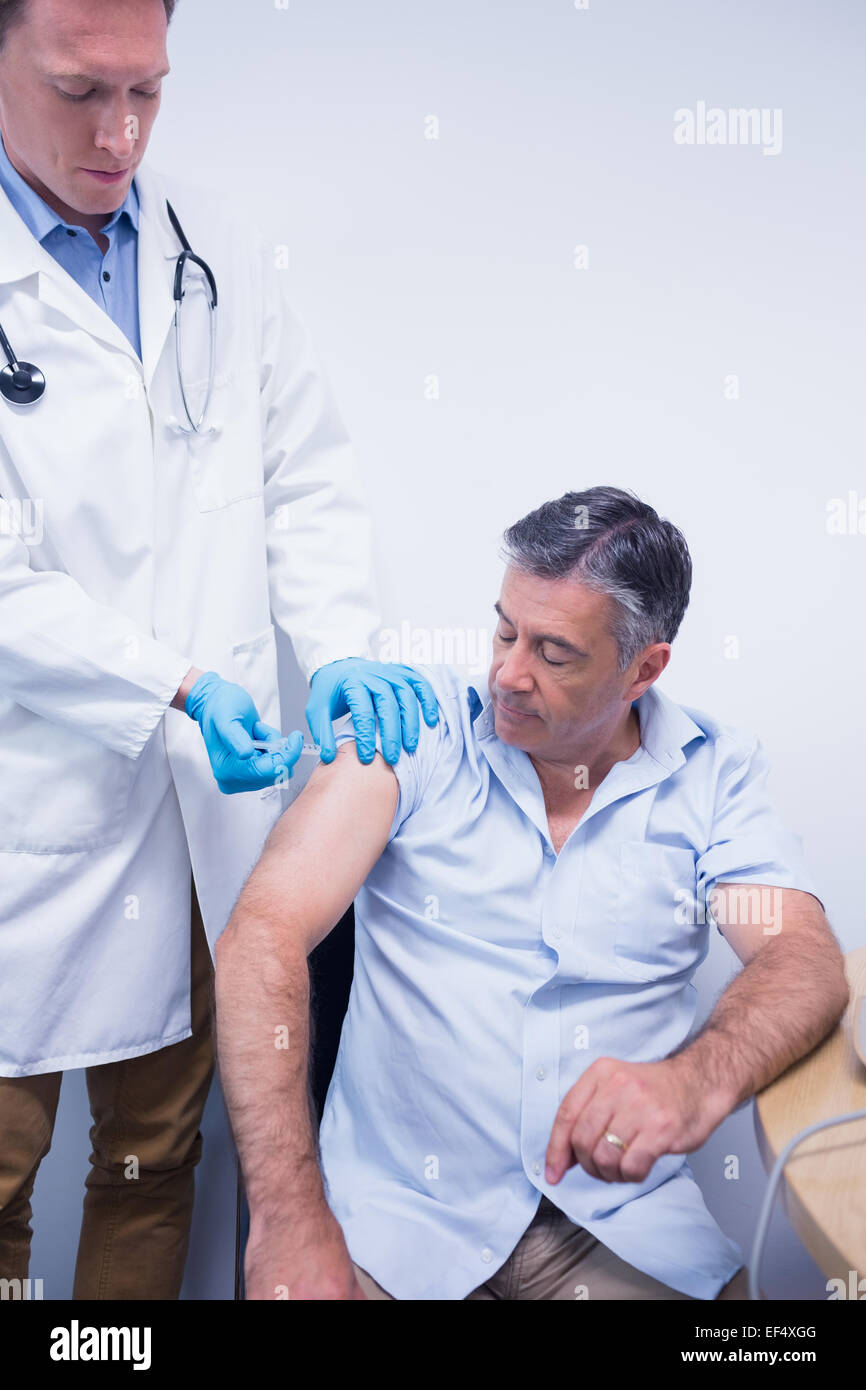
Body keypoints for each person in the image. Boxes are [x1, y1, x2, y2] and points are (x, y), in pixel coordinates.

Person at [0, 0, 436, 1299]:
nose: (121, 132)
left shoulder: (212, 247)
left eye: (148, 91)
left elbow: (302, 474)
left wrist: (346, 644)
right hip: (27, 815)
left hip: (203, 823)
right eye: (84, 91)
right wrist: (175, 683)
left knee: (156, 1155)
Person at [216, 485, 849, 1301]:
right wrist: (288, 1220)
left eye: (553, 653)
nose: (508, 675)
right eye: (505, 631)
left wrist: (694, 1083)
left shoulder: (714, 775)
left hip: (618, 1236)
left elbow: (802, 957)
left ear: (643, 668)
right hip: (391, 1227)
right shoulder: (420, 728)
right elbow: (261, 934)